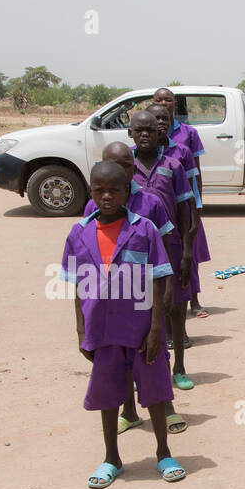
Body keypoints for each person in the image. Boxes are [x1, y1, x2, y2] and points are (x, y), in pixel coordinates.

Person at [63, 161, 184, 488]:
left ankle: (163, 452)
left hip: (141, 328)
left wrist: (157, 327)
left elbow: (158, 280)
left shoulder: (144, 229)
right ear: (90, 191)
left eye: (114, 190)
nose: (106, 196)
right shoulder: (79, 233)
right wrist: (80, 330)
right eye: (99, 190)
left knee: (156, 391)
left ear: (127, 191)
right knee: (107, 393)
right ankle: (111, 457)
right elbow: (77, 285)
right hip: (102, 330)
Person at [83, 143, 187, 437]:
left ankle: (165, 408)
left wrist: (167, 288)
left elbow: (164, 243)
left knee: (154, 354)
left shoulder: (150, 202)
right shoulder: (94, 207)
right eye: (114, 165)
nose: (124, 171)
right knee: (118, 358)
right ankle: (128, 411)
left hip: (146, 296)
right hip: (113, 302)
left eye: (128, 166)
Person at [129, 110, 196, 391]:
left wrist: (186, 252)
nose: (145, 134)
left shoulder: (173, 165)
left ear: (160, 133)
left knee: (175, 310)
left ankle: (179, 367)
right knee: (137, 310)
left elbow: (185, 210)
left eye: (151, 130)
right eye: (139, 130)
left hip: (172, 246)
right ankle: (140, 369)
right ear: (130, 133)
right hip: (134, 250)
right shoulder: (123, 164)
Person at [147, 102, 211, 332]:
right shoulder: (134, 158)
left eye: (165, 118)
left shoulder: (179, 153)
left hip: (175, 225)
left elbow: (193, 184)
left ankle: (187, 314)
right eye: (156, 119)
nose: (161, 123)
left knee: (182, 269)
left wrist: (197, 210)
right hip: (147, 230)